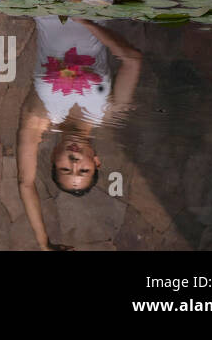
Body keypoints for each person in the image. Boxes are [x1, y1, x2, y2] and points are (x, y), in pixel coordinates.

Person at [16, 16, 143, 250]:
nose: (74, 162)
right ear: (96, 160)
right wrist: (88, 22)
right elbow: (133, 60)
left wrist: (44, 243)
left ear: (54, 156)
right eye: (83, 169)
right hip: (91, 4)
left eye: (66, 168)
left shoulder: (38, 117)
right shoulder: (109, 113)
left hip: (46, 6)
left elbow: (26, 182)